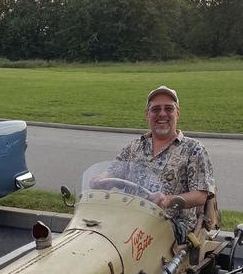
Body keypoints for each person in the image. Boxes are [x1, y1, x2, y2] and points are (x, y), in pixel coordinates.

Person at [91, 85, 215, 242]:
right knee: (94, 230)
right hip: (130, 216)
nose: (162, 114)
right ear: (147, 115)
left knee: (130, 239)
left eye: (168, 109)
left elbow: (201, 195)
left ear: (178, 113)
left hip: (170, 223)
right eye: (156, 109)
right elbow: (114, 169)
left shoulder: (193, 149)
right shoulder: (135, 146)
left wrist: (167, 200)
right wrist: (101, 178)